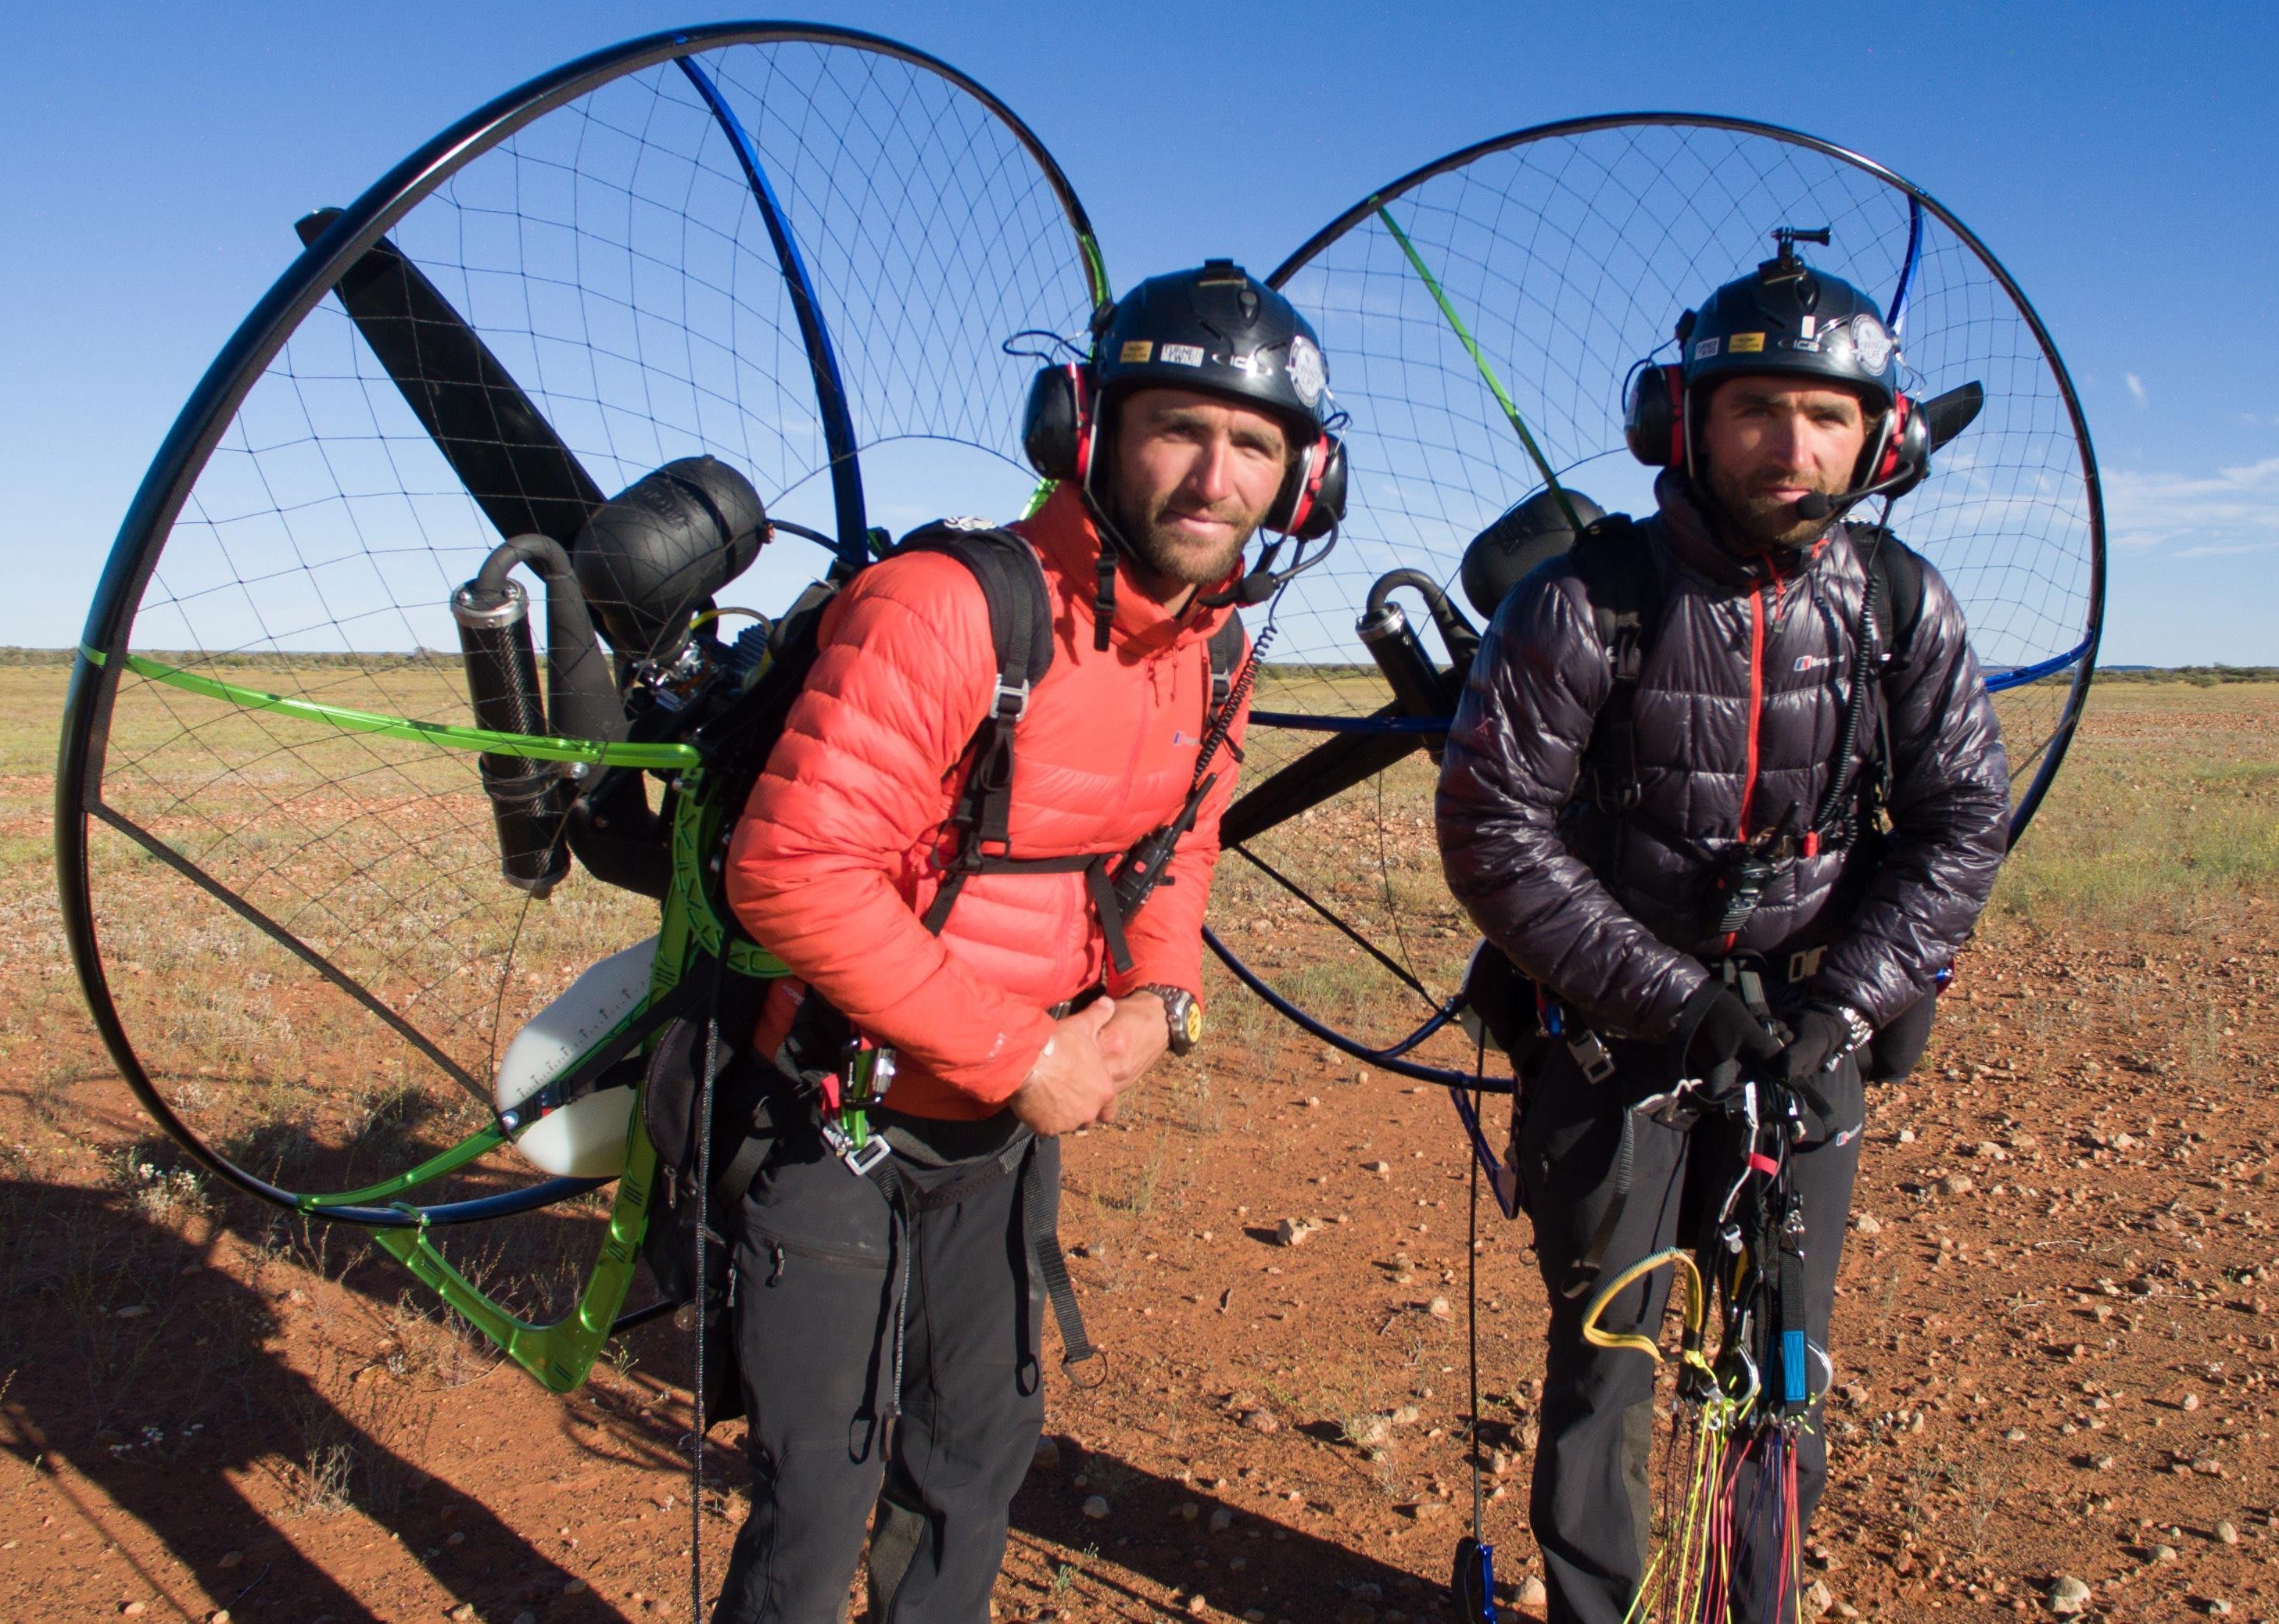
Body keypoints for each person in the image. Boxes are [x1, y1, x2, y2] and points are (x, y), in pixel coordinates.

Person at [711, 262, 1345, 1623]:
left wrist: (1158, 997)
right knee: (817, 1492)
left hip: (998, 1139)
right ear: (1085, 429)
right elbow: (790, 868)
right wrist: (1023, 1054)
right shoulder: (947, 605)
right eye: (1179, 429)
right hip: (838, 1109)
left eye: (1255, 446)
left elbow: (1177, 847)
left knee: (971, 1463)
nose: (1215, 477)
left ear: (1303, 481)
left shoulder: (1215, 654)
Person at [1435, 241, 2011, 1623]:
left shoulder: (1899, 603)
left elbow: (1961, 820)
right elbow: (1494, 830)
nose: (1791, 446)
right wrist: (1679, 1000)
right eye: (1756, 408)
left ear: (1880, 438)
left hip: (1809, 1035)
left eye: (1826, 415)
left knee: (1778, 1363)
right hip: (1613, 1036)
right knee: (1608, 1350)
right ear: (1682, 421)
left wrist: (1847, 1005)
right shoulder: (1585, 599)